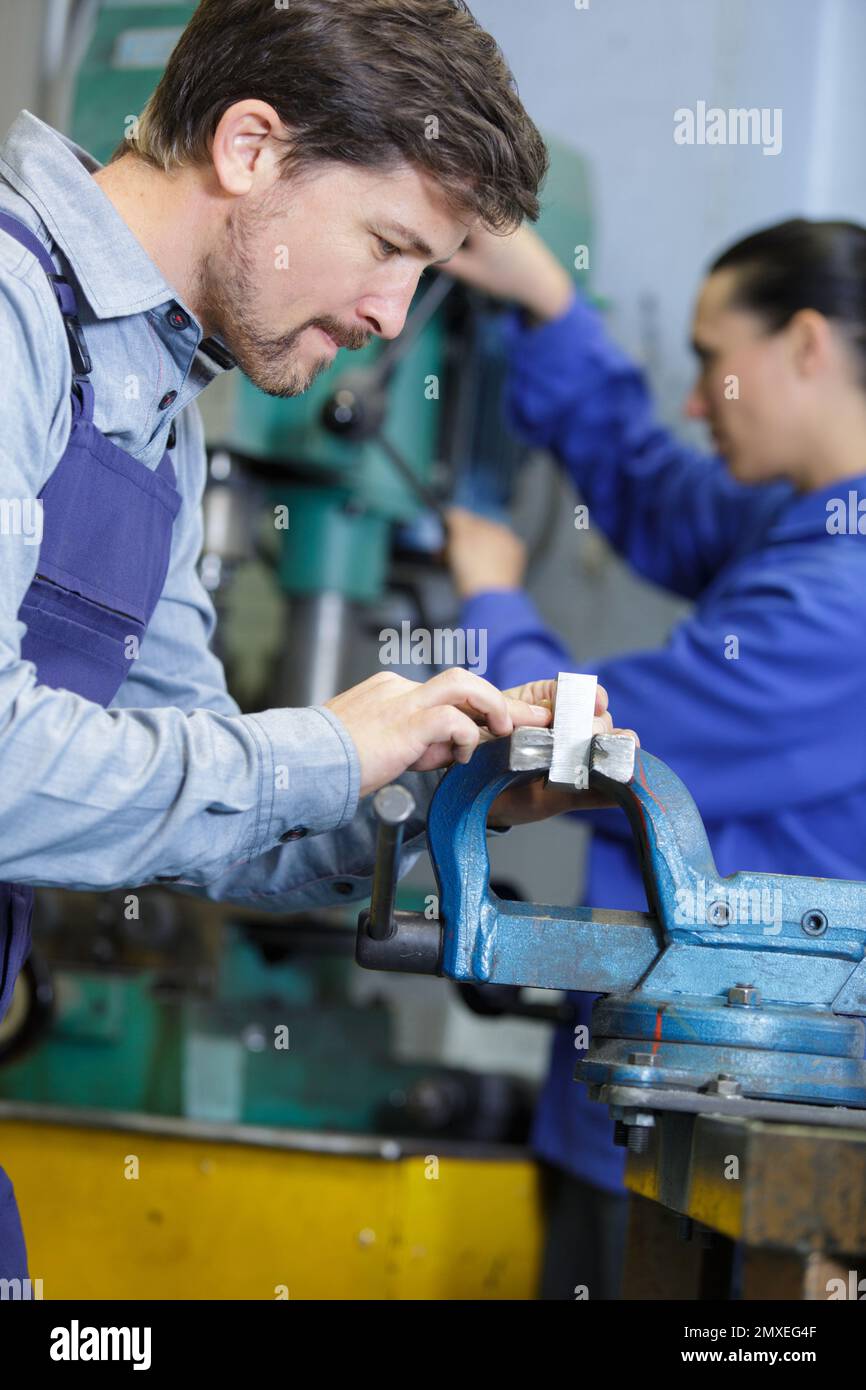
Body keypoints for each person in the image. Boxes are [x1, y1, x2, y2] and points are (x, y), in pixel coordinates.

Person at [0, 0, 626, 1285]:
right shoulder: (10, 316)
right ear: (248, 149)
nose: (396, 318)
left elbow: (197, 789)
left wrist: (428, 803)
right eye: (389, 245)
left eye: (428, 276)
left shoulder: (155, 404)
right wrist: (318, 748)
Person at [445, 216, 866, 1298]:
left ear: (806, 344)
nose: (693, 400)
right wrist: (547, 309)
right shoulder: (812, 524)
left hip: (726, 1124)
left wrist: (490, 596)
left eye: (709, 358)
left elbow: (599, 742)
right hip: (677, 1100)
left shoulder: (842, 603)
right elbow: (658, 495)